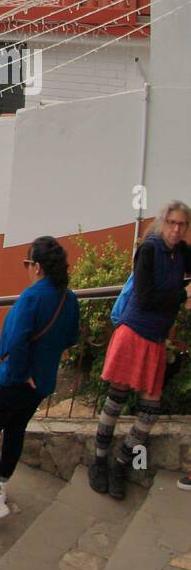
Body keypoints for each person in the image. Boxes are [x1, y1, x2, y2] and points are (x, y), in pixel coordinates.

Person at [0, 236, 80, 522]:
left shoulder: (31, 297)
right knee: (16, 429)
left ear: (38, 267)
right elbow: (71, 337)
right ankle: (1, 480)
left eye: (27, 264)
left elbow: (14, 342)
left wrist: (20, 373)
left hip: (13, 380)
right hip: (40, 383)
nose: (27, 269)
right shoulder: (69, 298)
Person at [90, 201, 191, 499]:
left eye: (182, 224)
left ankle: (121, 464)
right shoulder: (149, 250)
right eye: (172, 222)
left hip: (156, 341)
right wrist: (181, 294)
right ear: (162, 222)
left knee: (149, 413)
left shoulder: (182, 252)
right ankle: (98, 461)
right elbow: (146, 298)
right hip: (134, 333)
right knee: (116, 401)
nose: (176, 229)